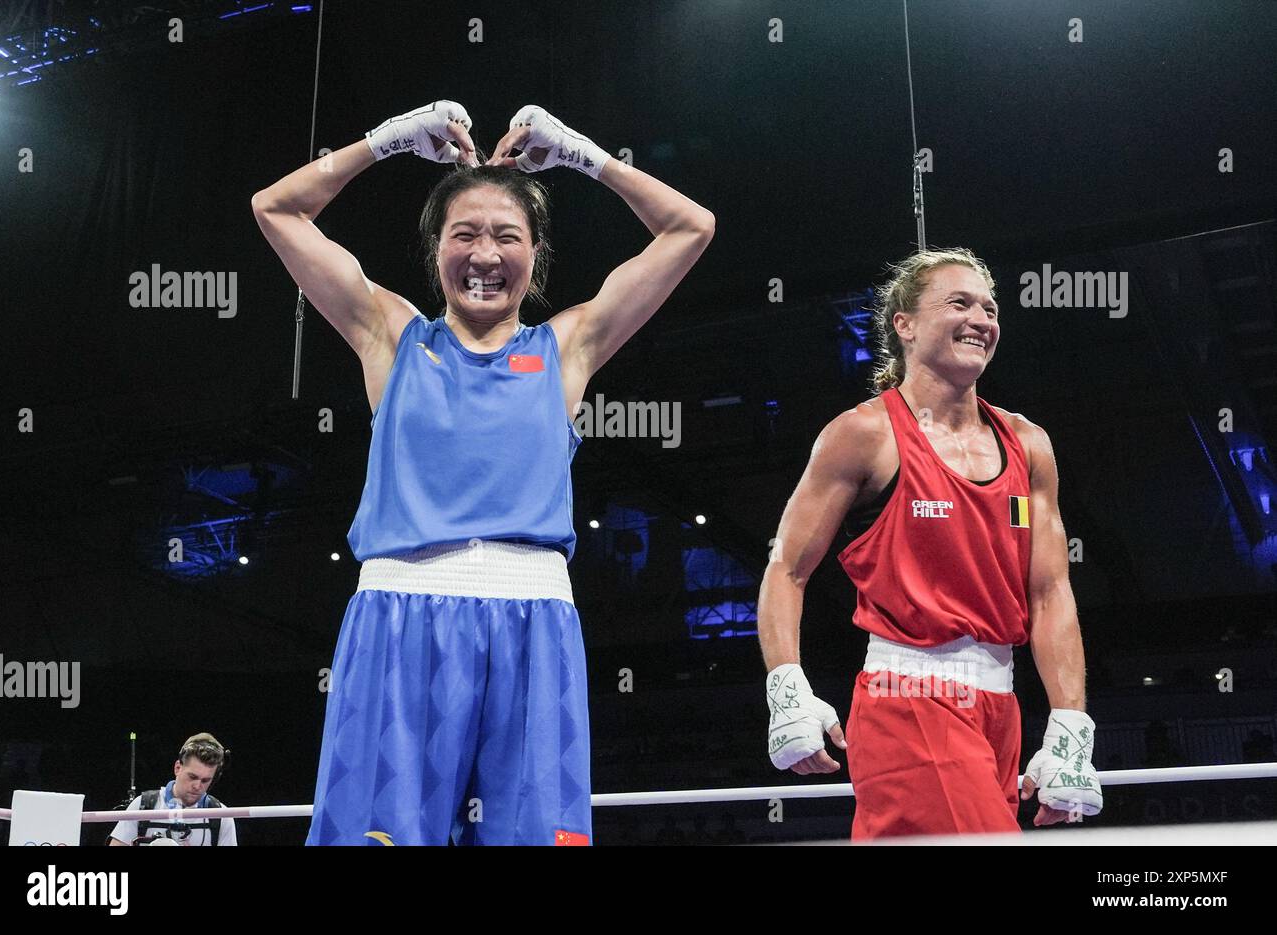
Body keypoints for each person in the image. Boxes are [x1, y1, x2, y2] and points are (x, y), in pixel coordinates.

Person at [252, 101, 714, 845]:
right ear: (436, 249)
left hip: (533, 620)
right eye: (464, 233)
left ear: (536, 255)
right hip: (398, 614)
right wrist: (387, 140)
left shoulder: (568, 347)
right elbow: (275, 209)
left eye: (507, 235)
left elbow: (691, 226)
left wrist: (581, 155)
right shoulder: (389, 333)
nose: (485, 253)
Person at [757, 248, 1103, 839]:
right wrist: (786, 687)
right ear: (905, 325)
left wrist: (1071, 726)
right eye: (959, 303)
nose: (982, 319)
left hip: (1000, 711)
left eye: (991, 309)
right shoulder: (864, 434)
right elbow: (786, 567)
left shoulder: (1028, 444)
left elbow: (1049, 593)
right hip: (908, 700)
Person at [108, 733, 236, 846]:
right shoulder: (143, 806)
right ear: (178, 768)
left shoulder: (221, 816)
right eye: (192, 777)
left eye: (205, 780)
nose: (197, 786)